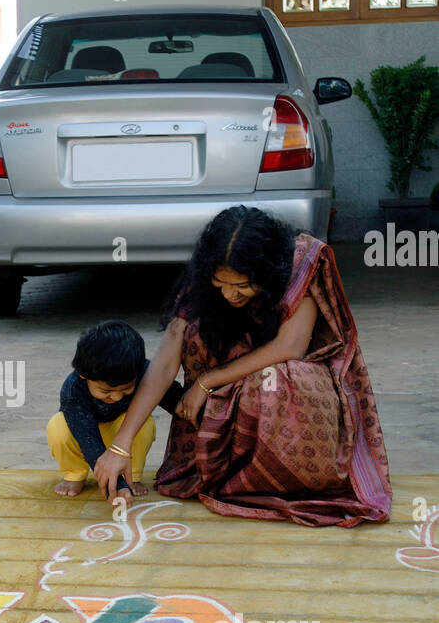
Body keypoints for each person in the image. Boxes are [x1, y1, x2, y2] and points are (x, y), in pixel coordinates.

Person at [93, 207, 392, 527]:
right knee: (191, 329)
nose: (229, 293)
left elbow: (289, 347)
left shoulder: (300, 265)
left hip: (285, 407)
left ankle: (270, 477)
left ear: (267, 274)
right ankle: (222, 467)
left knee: (275, 379)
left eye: (242, 285)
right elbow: (165, 364)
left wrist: (207, 382)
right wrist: (120, 446)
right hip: (214, 410)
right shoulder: (203, 280)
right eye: (221, 282)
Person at [47, 320, 183, 501]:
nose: (117, 397)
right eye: (106, 391)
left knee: (145, 424)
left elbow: (175, 399)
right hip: (85, 437)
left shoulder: (144, 372)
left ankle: (131, 476)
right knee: (58, 427)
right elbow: (90, 444)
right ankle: (74, 474)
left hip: (122, 437)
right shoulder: (73, 391)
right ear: (83, 375)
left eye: (126, 389)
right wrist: (118, 486)